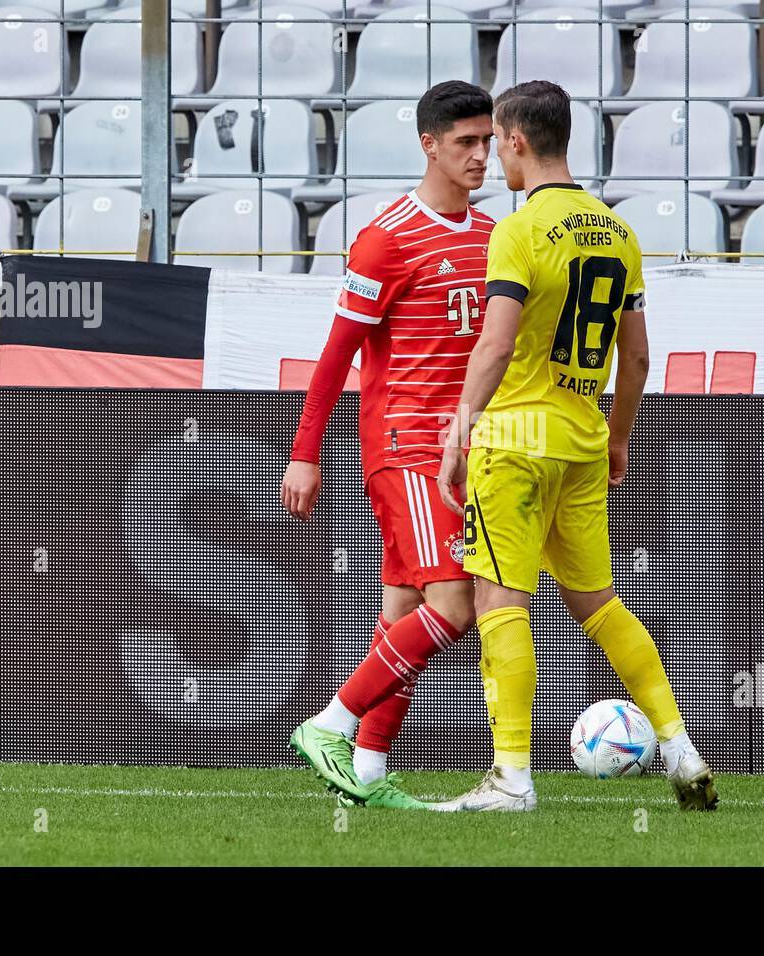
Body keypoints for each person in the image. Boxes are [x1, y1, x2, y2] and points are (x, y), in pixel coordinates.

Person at [435, 80, 718, 812]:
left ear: (518, 140)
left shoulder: (518, 230)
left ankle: (512, 778)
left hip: (517, 442)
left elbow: (496, 344)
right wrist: (618, 437)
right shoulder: (616, 233)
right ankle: (682, 751)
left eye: (496, 141)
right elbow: (640, 359)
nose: (495, 155)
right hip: (584, 439)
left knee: (500, 600)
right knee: (598, 603)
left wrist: (462, 422)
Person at [283, 81, 496, 809]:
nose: (480, 156)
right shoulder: (387, 238)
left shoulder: (496, 236)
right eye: (465, 142)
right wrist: (305, 451)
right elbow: (338, 351)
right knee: (456, 604)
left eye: (488, 142)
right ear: (429, 145)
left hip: (467, 449)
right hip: (405, 445)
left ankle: (367, 772)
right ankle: (331, 724)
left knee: (406, 611)